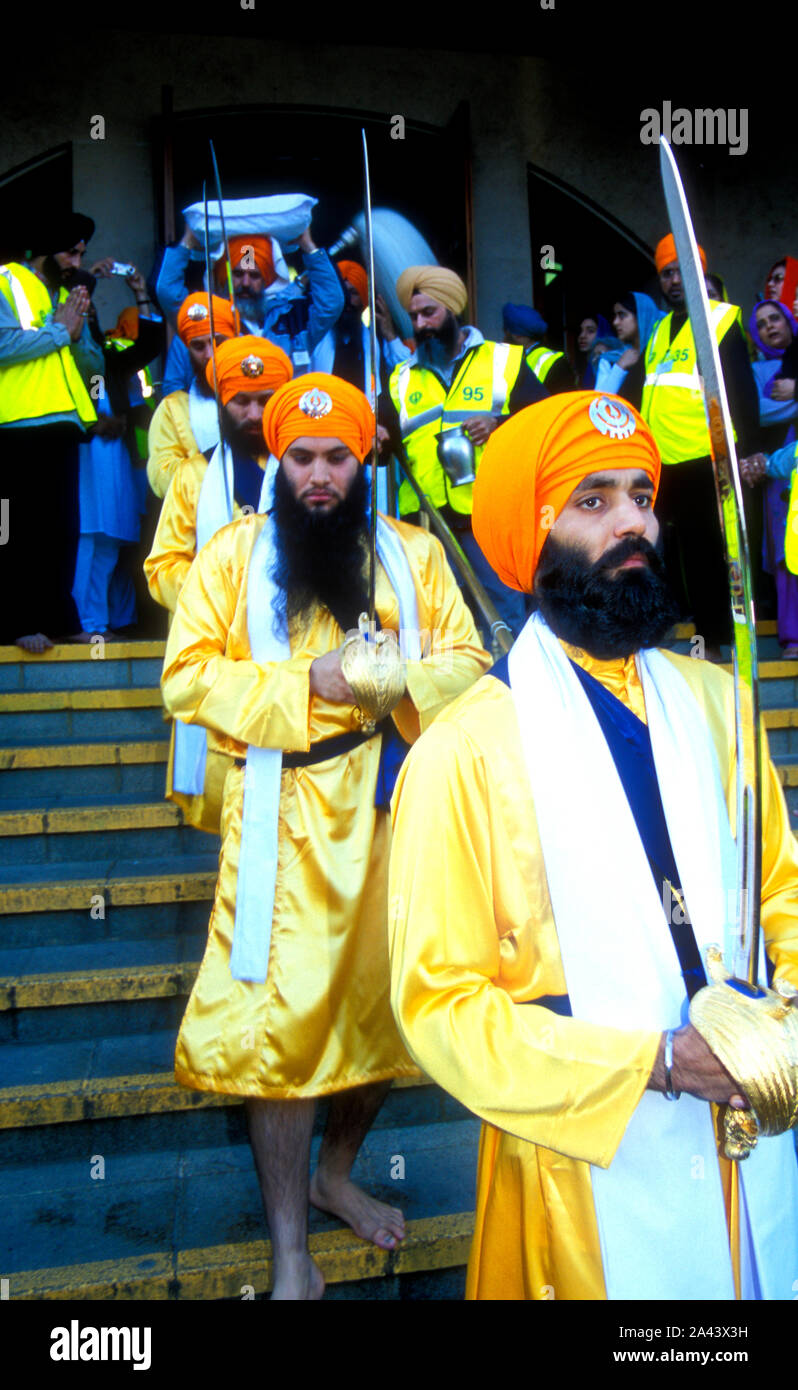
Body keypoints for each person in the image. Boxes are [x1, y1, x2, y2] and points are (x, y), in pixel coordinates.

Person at [388, 390, 798, 1302]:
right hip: (583, 1189)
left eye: (642, 496)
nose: (632, 524)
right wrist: (655, 1063)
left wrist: (788, 1019)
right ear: (530, 540)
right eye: (593, 501)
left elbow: (782, 887)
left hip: (756, 1131)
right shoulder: (461, 753)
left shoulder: (719, 702)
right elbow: (441, 1007)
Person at [160, 372, 491, 1299]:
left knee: (388, 1017)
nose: (316, 476)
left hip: (396, 812)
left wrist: (388, 682)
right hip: (285, 823)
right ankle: (287, 1247)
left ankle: (336, 1174)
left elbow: (469, 661)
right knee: (287, 1034)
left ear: (365, 457)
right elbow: (185, 680)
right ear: (274, 457)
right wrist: (313, 682)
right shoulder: (229, 556)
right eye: (298, 456)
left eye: (336, 457)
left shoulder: (417, 556)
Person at [145, 335, 293, 832]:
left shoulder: (307, 473)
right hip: (219, 658)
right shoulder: (192, 476)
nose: (253, 413)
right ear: (222, 405)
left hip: (293, 661)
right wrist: (224, 597)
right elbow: (162, 565)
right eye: (241, 402)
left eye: (265, 400)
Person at [382, 265, 548, 638]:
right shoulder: (401, 378)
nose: (421, 324)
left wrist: (498, 425)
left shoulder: (503, 360)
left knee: (502, 612)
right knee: (437, 620)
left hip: (486, 516)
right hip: (425, 523)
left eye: (429, 313)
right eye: (413, 317)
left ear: (453, 310)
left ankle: (509, 687)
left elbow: (544, 420)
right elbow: (381, 445)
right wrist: (374, 437)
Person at [621, 233, 760, 660]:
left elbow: (742, 391)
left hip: (707, 457)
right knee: (661, 550)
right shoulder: (660, 329)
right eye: (667, 273)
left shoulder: (721, 319)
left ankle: (714, 642)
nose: (675, 280)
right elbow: (644, 390)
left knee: (708, 553)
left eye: (683, 270)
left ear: (700, 272)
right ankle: (669, 634)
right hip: (663, 462)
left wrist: (748, 451)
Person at [0, 211, 104, 651]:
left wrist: (78, 334)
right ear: (42, 251)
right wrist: (60, 330)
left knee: (63, 527)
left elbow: (95, 368)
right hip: (16, 425)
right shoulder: (5, 280)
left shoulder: (64, 294)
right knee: (18, 528)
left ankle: (61, 620)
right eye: (69, 251)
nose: (76, 260)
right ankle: (15, 622)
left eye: (81, 252)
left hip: (62, 423)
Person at [72, 261, 163, 641]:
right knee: (87, 536)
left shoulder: (109, 354)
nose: (87, 307)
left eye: (89, 302)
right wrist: (91, 423)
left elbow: (149, 344)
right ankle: (82, 624)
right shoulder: (65, 349)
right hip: (82, 452)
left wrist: (140, 291)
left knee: (110, 536)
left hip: (115, 455)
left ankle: (99, 624)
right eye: (80, 301)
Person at [157, 223, 344, 390]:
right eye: (238, 274)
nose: (245, 283)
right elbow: (167, 293)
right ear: (225, 277)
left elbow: (331, 303)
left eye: (254, 275)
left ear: (267, 280)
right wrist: (186, 243)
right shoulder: (207, 321)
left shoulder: (292, 320)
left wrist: (308, 246)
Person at [745, 299, 798, 656]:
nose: (770, 327)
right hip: (776, 473)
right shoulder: (755, 371)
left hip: (781, 459)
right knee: (787, 553)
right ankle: (792, 637)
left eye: (775, 318)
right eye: (761, 324)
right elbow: (754, 412)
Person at [145, 291, 236, 500]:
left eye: (218, 342)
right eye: (198, 346)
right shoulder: (172, 408)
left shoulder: (260, 401)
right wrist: (221, 462)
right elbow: (162, 480)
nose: (209, 354)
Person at [311, 259, 410, 391]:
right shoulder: (315, 334)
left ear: (363, 298)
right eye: (342, 293)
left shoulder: (376, 339)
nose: (347, 301)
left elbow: (406, 370)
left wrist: (390, 335)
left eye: (353, 293)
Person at [595, 292, 662, 396]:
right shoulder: (610, 359)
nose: (615, 322)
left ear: (641, 316)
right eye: (615, 316)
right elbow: (598, 401)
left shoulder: (662, 352)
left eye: (622, 315)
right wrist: (620, 367)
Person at [501, 303, 575, 394]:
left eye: (505, 331)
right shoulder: (516, 358)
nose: (503, 338)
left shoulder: (554, 362)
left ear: (517, 335)